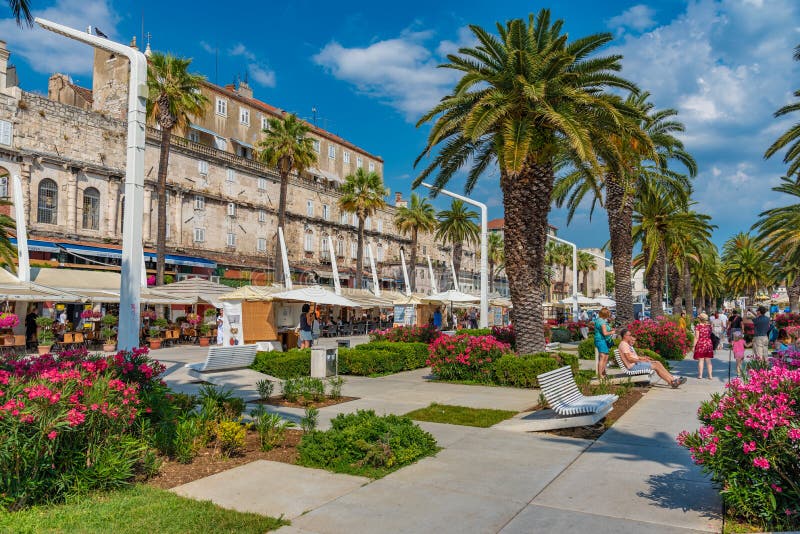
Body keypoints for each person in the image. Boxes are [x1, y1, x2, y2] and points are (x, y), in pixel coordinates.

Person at [618, 329, 686, 388]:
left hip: (636, 364)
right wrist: (642, 360)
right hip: (633, 366)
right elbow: (629, 359)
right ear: (624, 336)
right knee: (656, 366)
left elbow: (633, 356)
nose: (630, 336)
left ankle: (672, 378)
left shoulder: (625, 344)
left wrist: (643, 358)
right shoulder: (624, 345)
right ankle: (672, 381)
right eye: (629, 335)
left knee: (657, 363)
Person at [593, 307, 615, 379]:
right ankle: (601, 375)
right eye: (608, 314)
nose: (609, 315)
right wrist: (612, 332)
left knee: (605, 357)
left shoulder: (599, 320)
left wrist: (610, 328)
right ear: (605, 314)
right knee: (603, 357)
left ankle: (603, 373)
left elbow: (604, 329)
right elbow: (605, 333)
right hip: (601, 340)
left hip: (601, 340)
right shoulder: (602, 322)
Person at [692, 313, 714, 379]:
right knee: (708, 360)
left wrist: (693, 346)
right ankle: (710, 375)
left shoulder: (698, 326)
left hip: (701, 343)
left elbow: (696, 337)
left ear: (699, 319)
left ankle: (700, 375)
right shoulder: (709, 326)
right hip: (708, 343)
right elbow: (710, 334)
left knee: (701, 360)